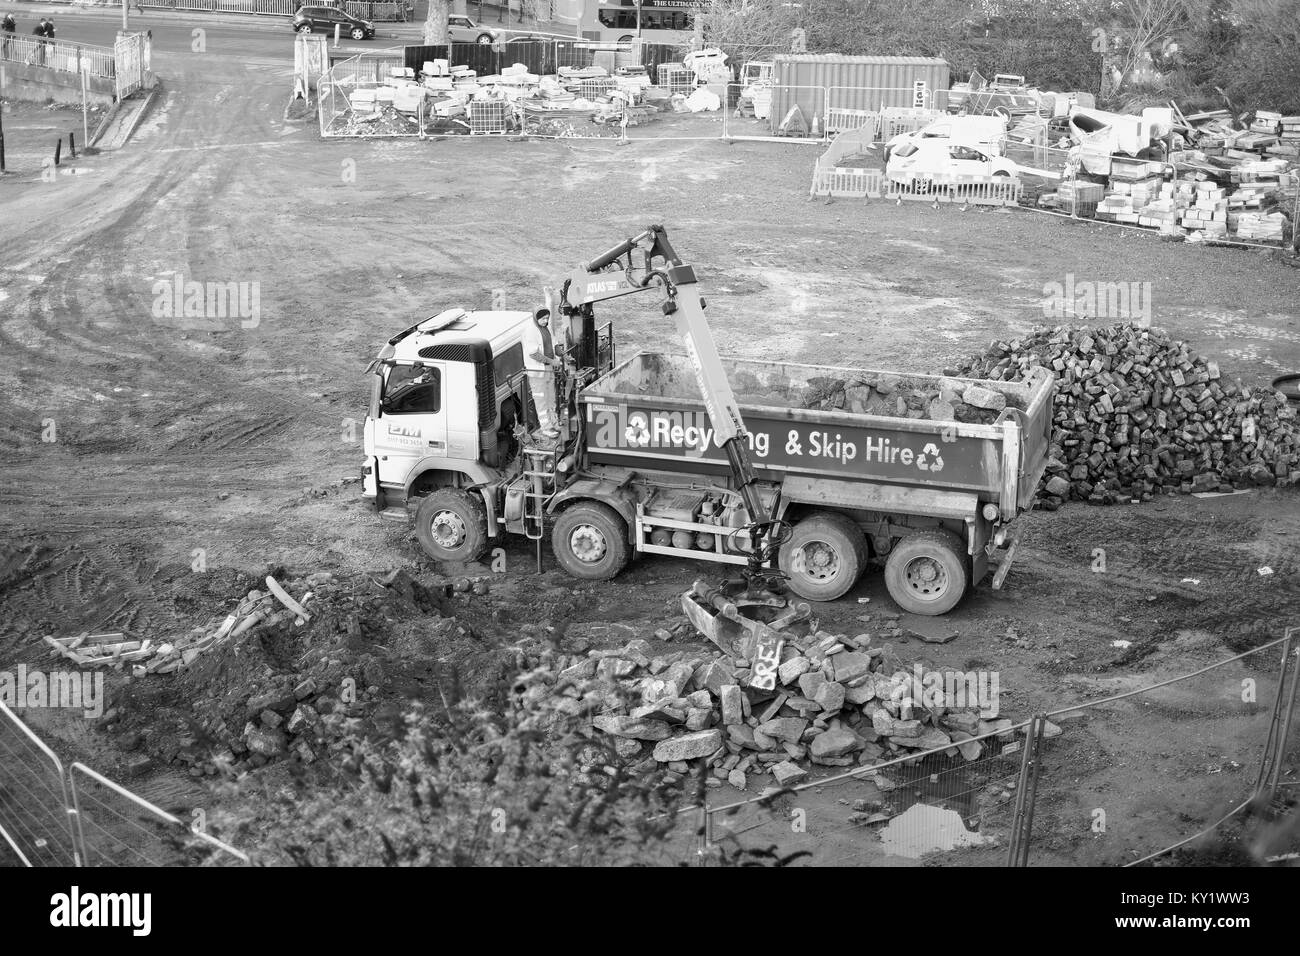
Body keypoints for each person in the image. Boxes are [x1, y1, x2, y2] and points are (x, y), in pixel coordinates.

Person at [522, 299, 561, 438]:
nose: (546, 321)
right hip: (537, 372)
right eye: (543, 319)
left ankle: (554, 422)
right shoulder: (530, 330)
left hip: (548, 369)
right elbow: (534, 354)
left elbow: (554, 344)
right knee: (541, 400)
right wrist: (552, 361)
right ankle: (546, 427)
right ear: (536, 317)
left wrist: (563, 355)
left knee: (551, 398)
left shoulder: (546, 327)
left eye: (547, 318)